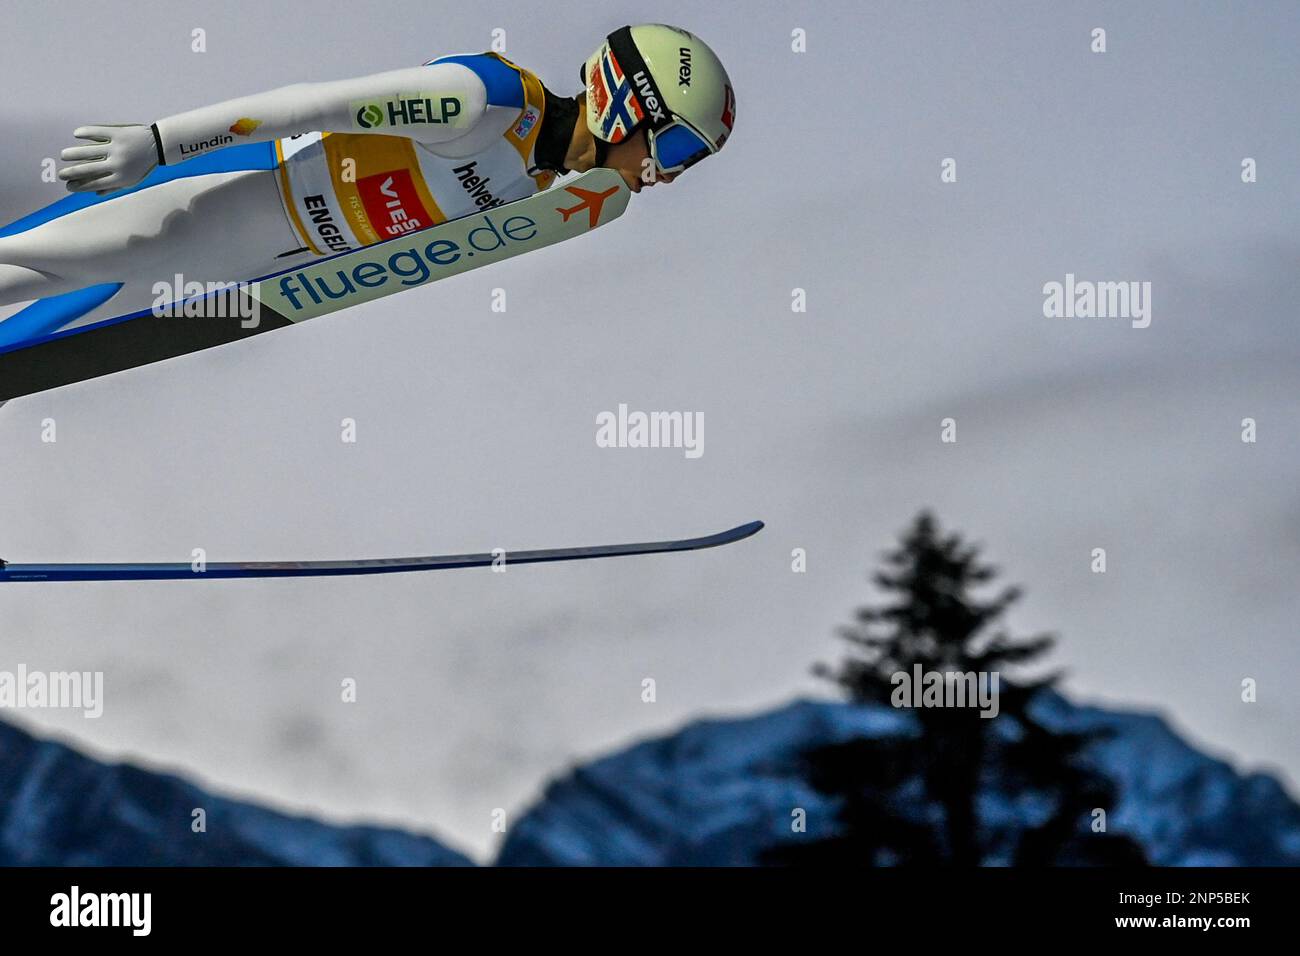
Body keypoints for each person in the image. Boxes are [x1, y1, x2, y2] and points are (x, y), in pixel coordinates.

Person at [0, 23, 735, 345]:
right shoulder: (487, 99)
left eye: (685, 162)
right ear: (625, 100)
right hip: (229, 193)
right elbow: (311, 102)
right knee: (37, 267)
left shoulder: (533, 191)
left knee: (41, 337)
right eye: (670, 144)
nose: (662, 174)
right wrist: (157, 143)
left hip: (256, 266)